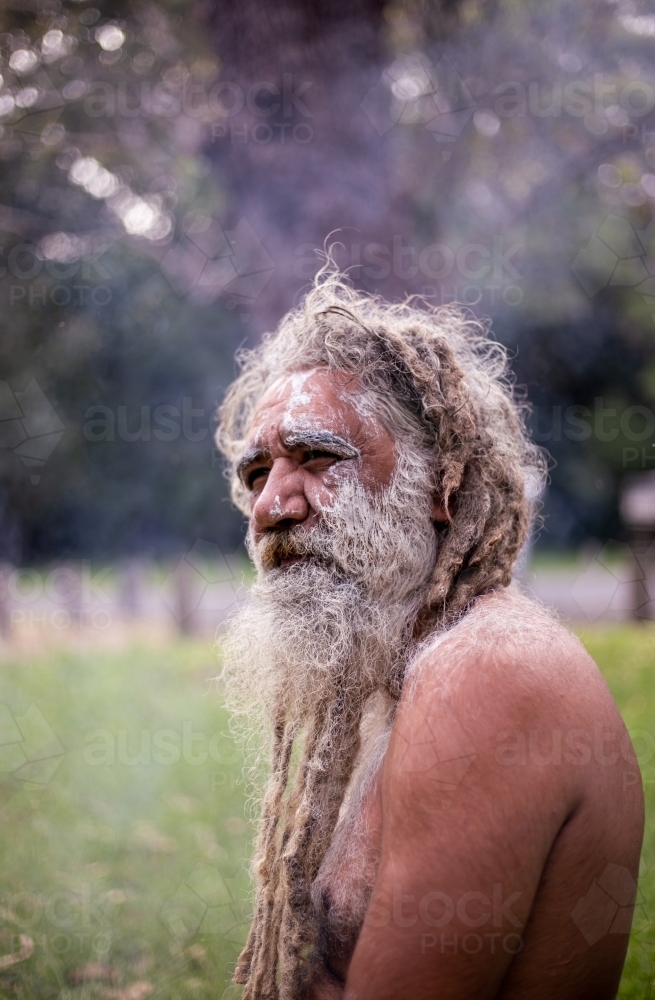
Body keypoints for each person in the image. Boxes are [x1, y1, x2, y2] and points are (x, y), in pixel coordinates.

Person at [216, 271, 644, 1000]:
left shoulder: (484, 673)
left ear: (441, 481)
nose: (270, 506)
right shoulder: (398, 667)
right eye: (257, 470)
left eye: (317, 457)